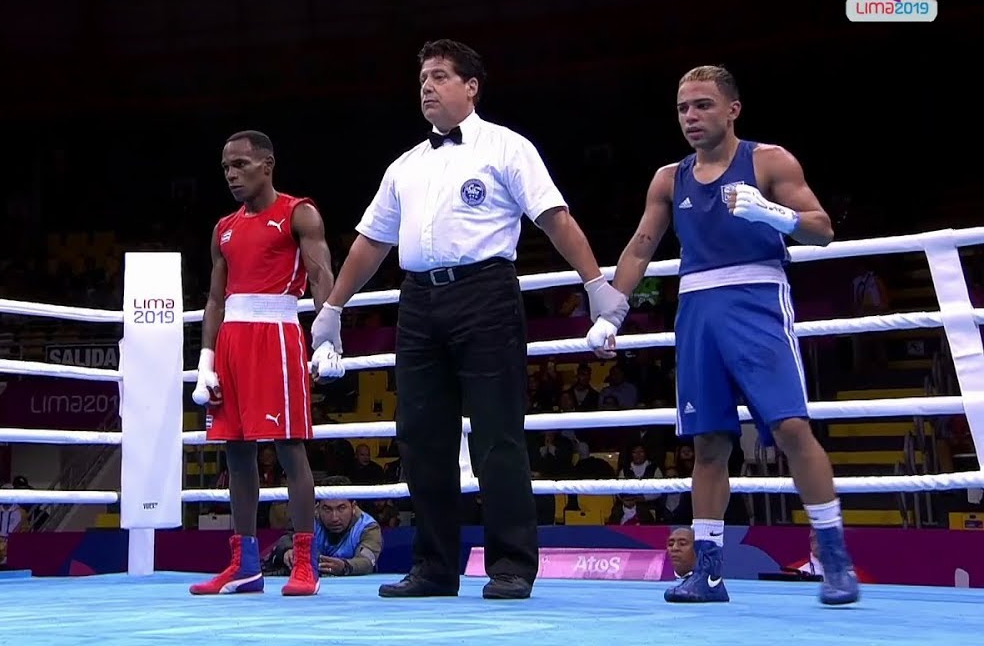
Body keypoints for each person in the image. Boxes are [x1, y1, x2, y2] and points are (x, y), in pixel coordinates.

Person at [310, 39, 627, 600]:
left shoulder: (507, 147)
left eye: (439, 76)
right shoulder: (405, 165)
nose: (427, 87)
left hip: (486, 295)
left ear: (471, 87)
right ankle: (435, 567)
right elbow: (370, 243)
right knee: (420, 439)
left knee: (497, 435)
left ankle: (511, 566)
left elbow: (554, 218)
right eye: (422, 79)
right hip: (417, 301)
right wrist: (333, 308)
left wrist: (595, 285)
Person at [585, 64, 859, 605]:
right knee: (708, 443)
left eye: (703, 105)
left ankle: (834, 559)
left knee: (791, 428)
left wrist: (773, 214)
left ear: (732, 109)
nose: (691, 116)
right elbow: (641, 246)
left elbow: (823, 230)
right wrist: (611, 312)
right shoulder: (669, 178)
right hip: (696, 309)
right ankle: (707, 573)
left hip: (757, 300)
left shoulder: (769, 161)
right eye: (683, 107)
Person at [190, 130, 337, 597]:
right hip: (231, 341)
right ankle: (245, 566)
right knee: (236, 452)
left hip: (277, 336)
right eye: (226, 168)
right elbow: (216, 299)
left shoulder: (299, 212)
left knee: (290, 449)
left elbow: (321, 275)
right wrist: (206, 359)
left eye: (241, 165)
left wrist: (326, 339)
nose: (231, 175)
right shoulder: (223, 228)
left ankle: (305, 564)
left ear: (267, 164)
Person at [264, 476, 384, 578]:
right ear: (317, 507)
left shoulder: (368, 527)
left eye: (341, 508)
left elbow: (367, 561)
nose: (334, 517)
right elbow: (286, 539)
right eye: (327, 509)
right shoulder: (309, 519)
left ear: (353, 506)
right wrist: (287, 550)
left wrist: (345, 566)